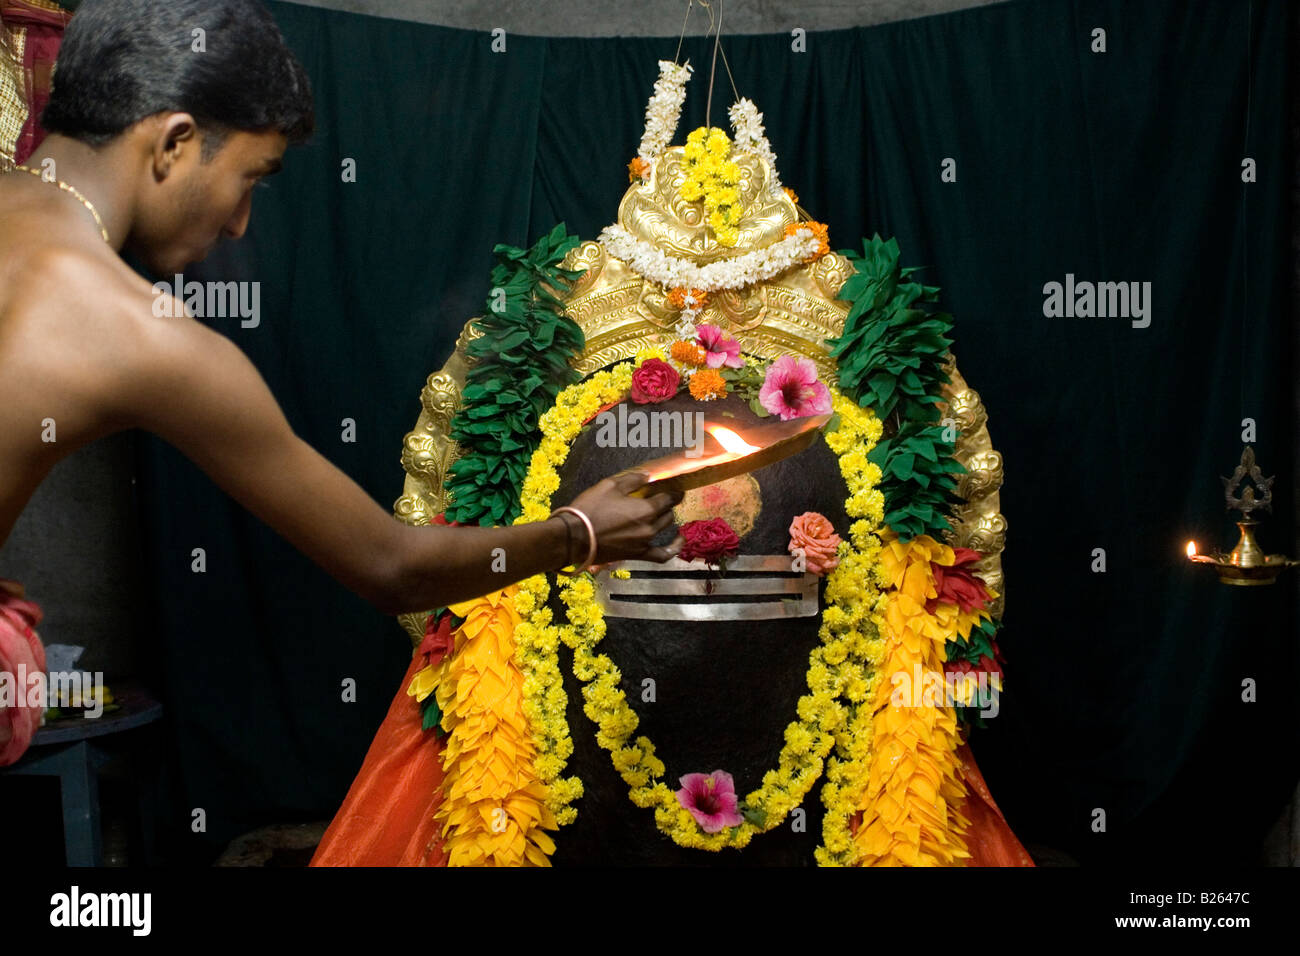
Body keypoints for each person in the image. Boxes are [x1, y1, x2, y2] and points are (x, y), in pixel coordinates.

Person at [0, 0, 682, 767]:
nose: (239, 224)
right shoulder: (141, 337)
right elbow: (391, 567)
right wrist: (579, 532)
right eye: (250, 178)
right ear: (175, 143)